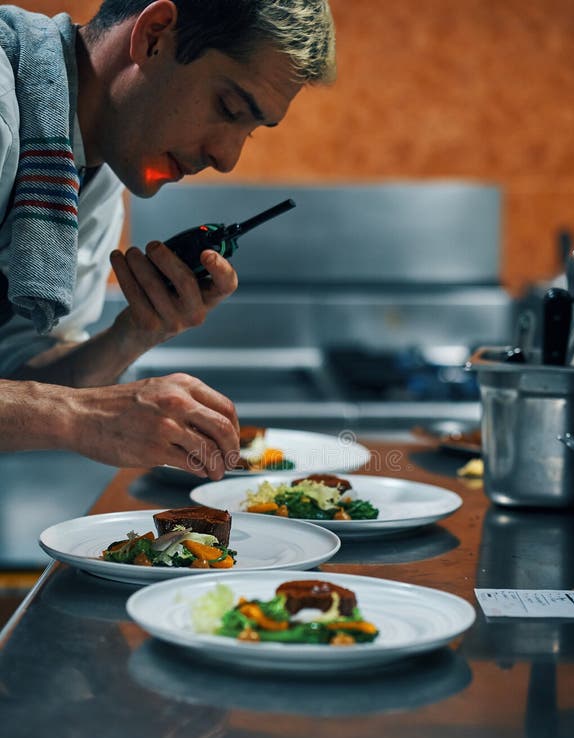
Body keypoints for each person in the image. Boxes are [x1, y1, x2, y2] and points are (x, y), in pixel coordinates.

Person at [0, 0, 336, 475]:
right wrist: (79, 416)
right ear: (154, 35)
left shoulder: (90, 178)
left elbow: (15, 375)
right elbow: (49, 405)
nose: (226, 158)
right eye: (228, 108)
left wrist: (134, 333)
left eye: (250, 132)